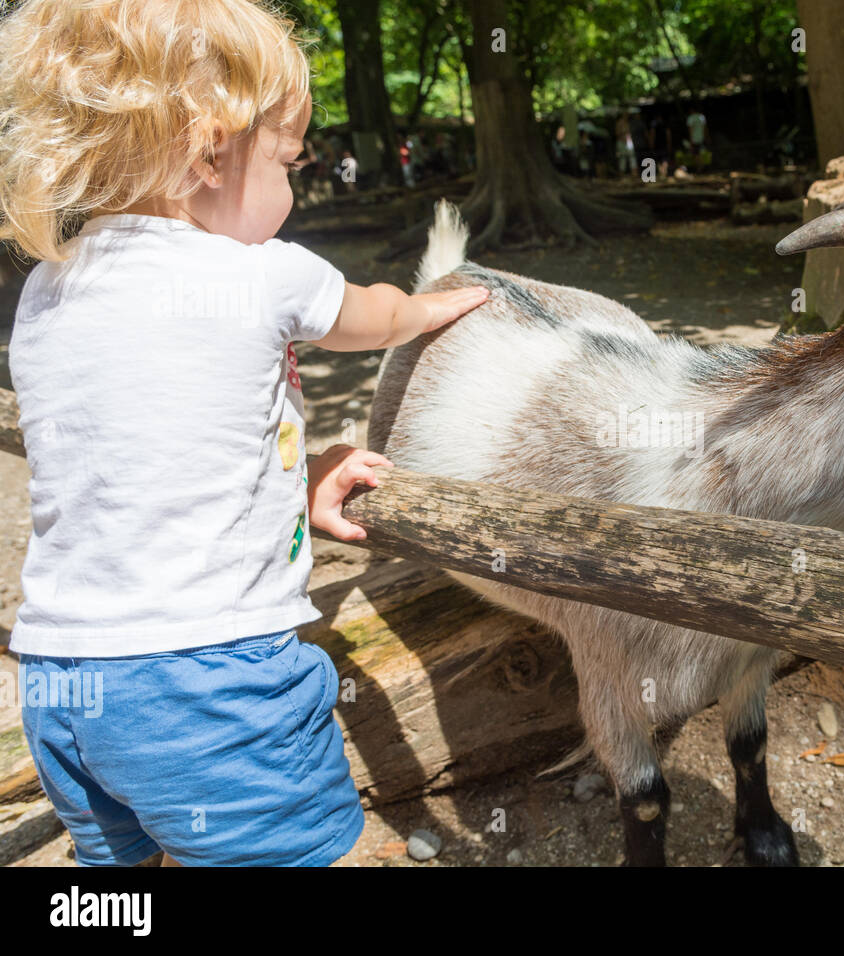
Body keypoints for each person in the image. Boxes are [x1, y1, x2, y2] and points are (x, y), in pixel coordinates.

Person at [0, 0, 491, 867]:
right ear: (210, 148)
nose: (295, 190)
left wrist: (293, 495)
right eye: (289, 161)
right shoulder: (264, 274)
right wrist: (429, 304)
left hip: (60, 680)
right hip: (207, 688)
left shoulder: (49, 290)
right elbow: (369, 315)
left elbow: (140, 462)